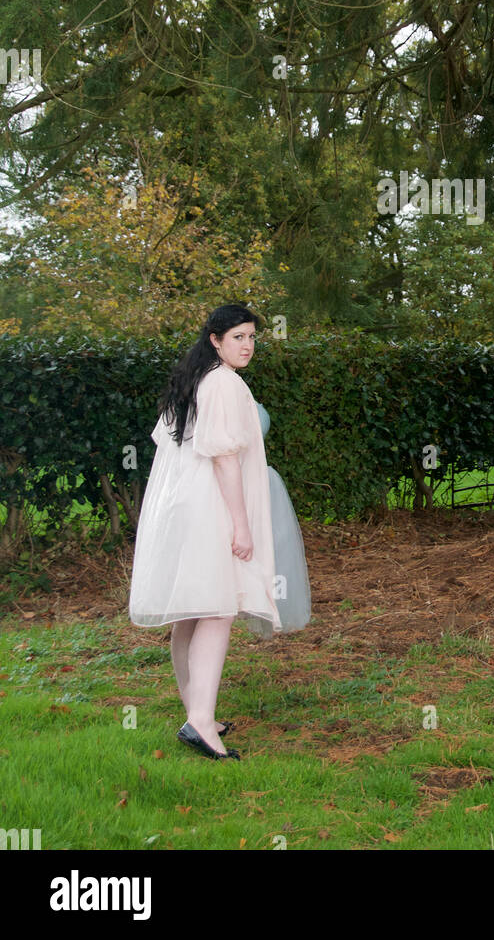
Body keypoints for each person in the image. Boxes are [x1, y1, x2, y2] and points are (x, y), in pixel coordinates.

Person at [128, 303, 311, 760]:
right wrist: (242, 524)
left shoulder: (195, 380)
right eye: (238, 338)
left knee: (193, 608)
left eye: (252, 337)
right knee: (218, 608)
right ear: (215, 339)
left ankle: (197, 711)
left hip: (184, 505)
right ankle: (201, 723)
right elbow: (225, 458)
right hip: (210, 506)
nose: (248, 346)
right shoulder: (224, 383)